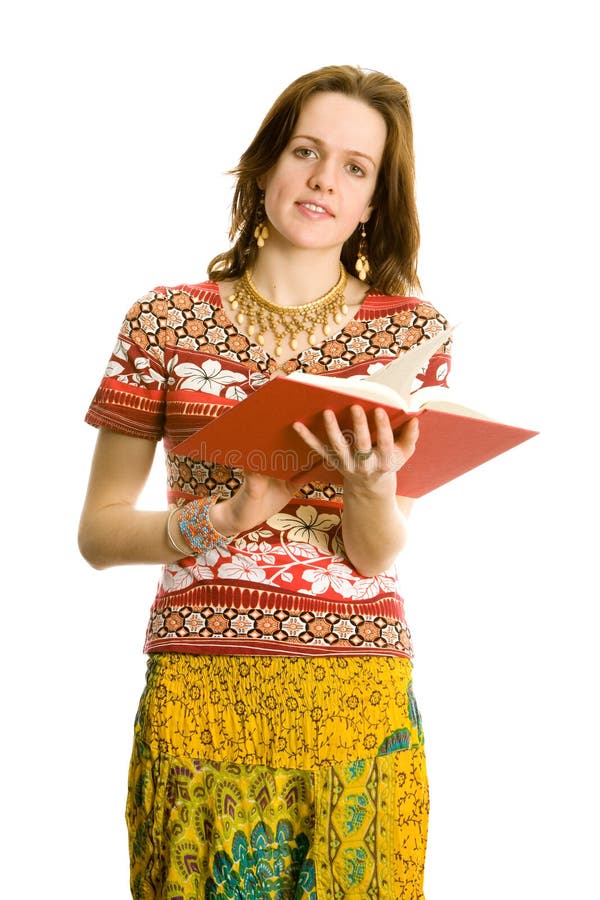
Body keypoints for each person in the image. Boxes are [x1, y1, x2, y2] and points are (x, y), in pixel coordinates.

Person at [79, 64, 452, 900]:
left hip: (356, 696)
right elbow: (98, 533)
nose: (325, 177)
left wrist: (367, 490)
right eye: (306, 150)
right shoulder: (163, 320)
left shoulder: (411, 335)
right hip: (201, 695)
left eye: (356, 167)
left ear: (373, 204)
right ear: (264, 168)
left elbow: (377, 552)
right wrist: (224, 513)